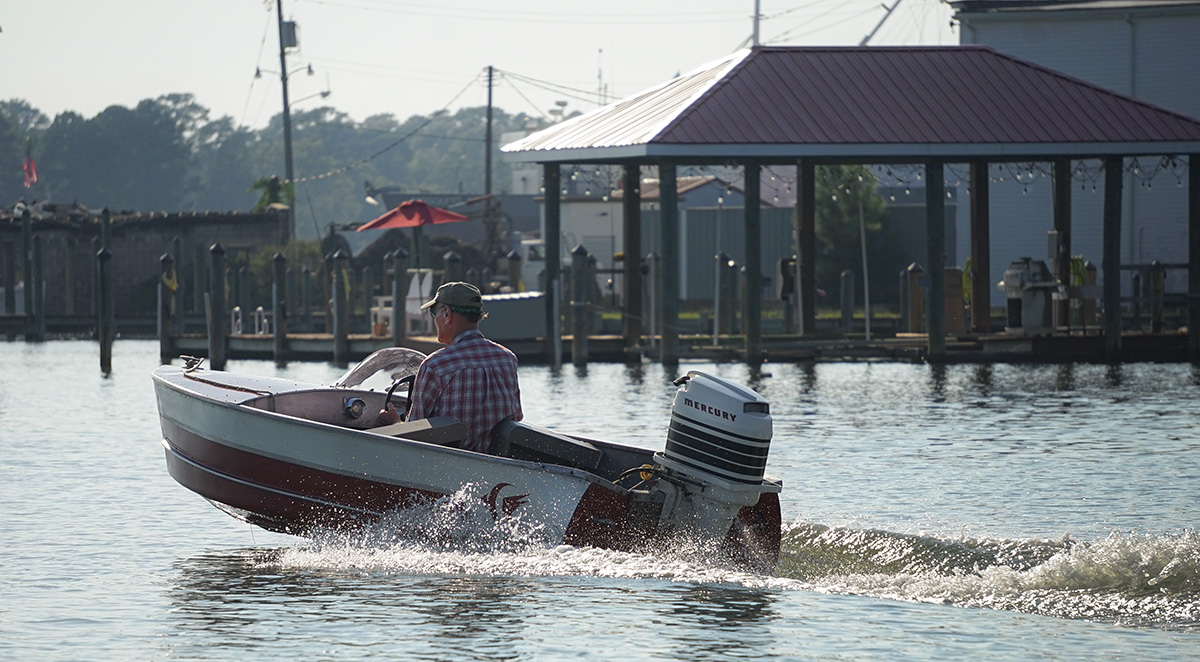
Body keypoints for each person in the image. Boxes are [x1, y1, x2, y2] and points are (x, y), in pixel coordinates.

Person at [402, 281, 522, 453]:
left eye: (433, 313)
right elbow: (516, 418)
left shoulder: (435, 365)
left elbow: (414, 432)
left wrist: (393, 422)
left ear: (446, 314)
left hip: (448, 466)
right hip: (498, 466)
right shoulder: (507, 359)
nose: (434, 320)